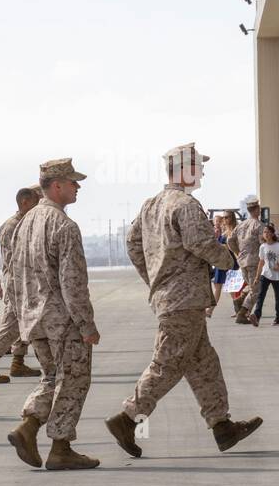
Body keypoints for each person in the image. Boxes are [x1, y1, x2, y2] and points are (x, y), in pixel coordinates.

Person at [106, 144, 263, 460]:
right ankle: (128, 418)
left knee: (204, 363)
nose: (202, 171)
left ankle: (222, 425)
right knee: (168, 363)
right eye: (198, 166)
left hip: (173, 298)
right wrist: (229, 261)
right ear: (184, 169)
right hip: (185, 299)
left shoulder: (151, 205)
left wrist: (154, 276)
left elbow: (133, 243)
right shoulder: (185, 204)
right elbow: (200, 243)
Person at [5, 159, 100, 471]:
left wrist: (22, 319)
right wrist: (87, 325)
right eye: (73, 182)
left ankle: (28, 426)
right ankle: (60, 447)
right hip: (62, 319)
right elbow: (72, 283)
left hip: (33, 318)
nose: (78, 187)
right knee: (74, 379)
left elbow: (13, 277)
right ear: (57, 185)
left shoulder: (25, 223)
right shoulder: (63, 225)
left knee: (52, 377)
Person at [0, 187, 43, 383]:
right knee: (13, 326)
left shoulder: (27, 223)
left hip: (27, 283)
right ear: (24, 202)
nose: (40, 204)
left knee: (23, 325)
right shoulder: (11, 226)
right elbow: (15, 260)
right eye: (37, 200)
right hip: (18, 284)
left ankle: (16, 363)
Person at [226, 197, 264, 324]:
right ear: (257, 210)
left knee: (251, 286)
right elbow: (263, 245)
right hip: (254, 262)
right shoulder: (259, 225)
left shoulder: (241, 225)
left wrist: (237, 252)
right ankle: (242, 313)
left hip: (242, 261)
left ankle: (239, 300)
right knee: (256, 290)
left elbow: (229, 240)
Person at [251, 224, 279, 326]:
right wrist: (257, 277)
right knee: (261, 295)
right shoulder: (262, 246)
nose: (266, 234)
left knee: (278, 297)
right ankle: (256, 316)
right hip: (265, 274)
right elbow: (261, 262)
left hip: (277, 275)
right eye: (264, 232)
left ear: (272, 233)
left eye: (268, 232)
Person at [208, 212, 232, 319]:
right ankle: (210, 309)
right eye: (215, 221)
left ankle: (210, 310)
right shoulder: (212, 232)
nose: (217, 223)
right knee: (218, 287)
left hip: (224, 263)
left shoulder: (226, 233)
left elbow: (227, 246)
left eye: (219, 220)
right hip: (217, 263)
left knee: (230, 288)